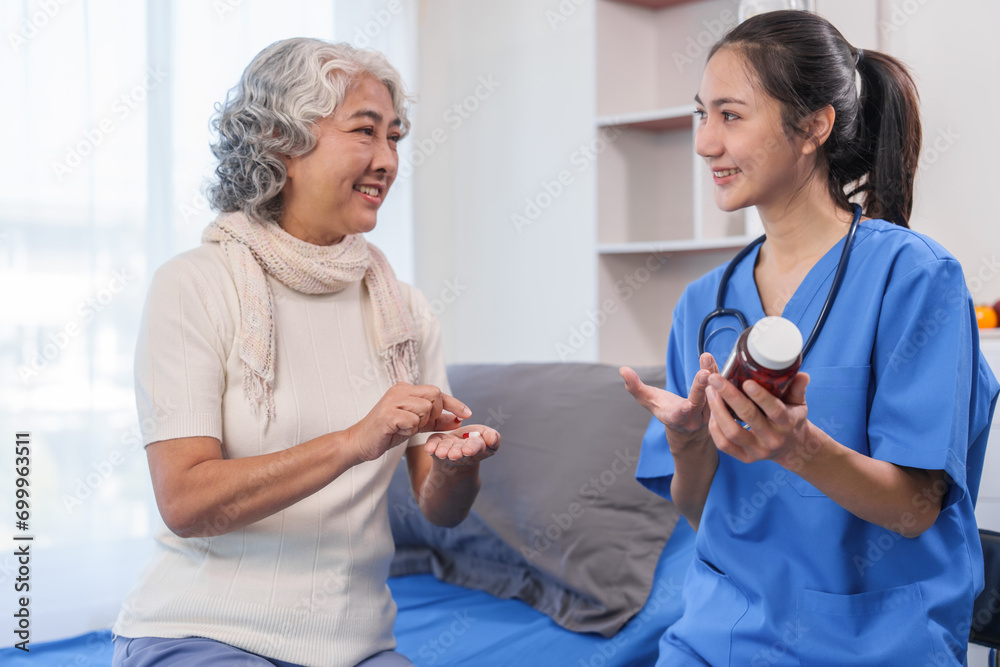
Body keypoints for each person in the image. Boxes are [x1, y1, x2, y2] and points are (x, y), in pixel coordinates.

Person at [620, 11, 999, 666]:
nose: (705, 142)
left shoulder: (915, 278)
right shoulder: (704, 305)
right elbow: (699, 511)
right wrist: (688, 444)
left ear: (814, 126)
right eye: (701, 115)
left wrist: (799, 449)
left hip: (872, 641)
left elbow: (914, 511)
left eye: (730, 115)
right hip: (720, 638)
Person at [111, 38, 500, 667]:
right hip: (202, 630)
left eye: (394, 137)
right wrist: (353, 441)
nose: (387, 160)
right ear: (279, 141)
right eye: (364, 131)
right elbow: (184, 501)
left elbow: (440, 513)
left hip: (358, 647)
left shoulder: (403, 312)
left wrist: (457, 468)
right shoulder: (195, 284)